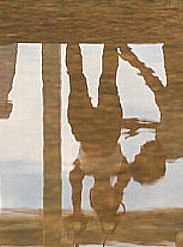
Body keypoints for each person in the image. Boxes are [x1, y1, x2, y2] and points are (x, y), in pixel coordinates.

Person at [118, 44, 183, 185]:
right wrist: (132, 59)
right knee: (174, 45)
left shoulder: (171, 145)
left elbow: (171, 120)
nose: (141, 149)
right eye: (141, 155)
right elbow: (158, 89)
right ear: (154, 162)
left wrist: (142, 125)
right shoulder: (172, 141)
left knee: (174, 46)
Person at [66, 44, 133, 236]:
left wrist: (77, 211)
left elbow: (74, 184)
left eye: (97, 198)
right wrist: (117, 195)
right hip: (107, 128)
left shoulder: (82, 173)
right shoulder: (120, 172)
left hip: (86, 129)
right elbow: (125, 178)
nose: (101, 195)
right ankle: (109, 42)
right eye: (106, 198)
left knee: (78, 79)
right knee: (107, 80)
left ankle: (73, 40)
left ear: (91, 193)